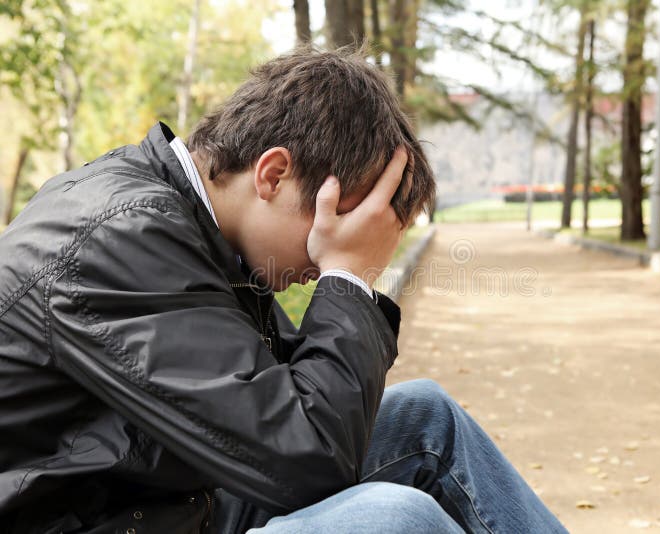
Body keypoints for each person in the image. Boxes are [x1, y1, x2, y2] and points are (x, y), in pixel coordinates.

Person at [0, 48, 567, 533]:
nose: (323, 258)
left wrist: (346, 278)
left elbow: (287, 407)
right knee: (395, 520)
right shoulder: (120, 238)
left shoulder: (192, 226)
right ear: (273, 174)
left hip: (166, 505)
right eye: (332, 227)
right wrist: (349, 275)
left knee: (426, 418)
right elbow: (310, 461)